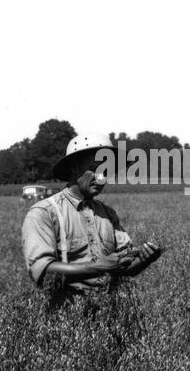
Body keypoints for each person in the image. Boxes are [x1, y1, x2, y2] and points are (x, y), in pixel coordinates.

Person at [22, 132, 163, 312]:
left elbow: (124, 267)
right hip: (65, 319)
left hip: (109, 314)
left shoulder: (107, 213)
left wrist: (144, 259)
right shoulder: (44, 213)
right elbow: (42, 272)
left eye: (106, 171)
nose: (102, 177)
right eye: (95, 169)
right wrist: (98, 267)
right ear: (74, 167)